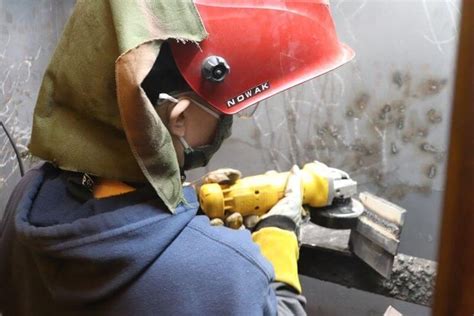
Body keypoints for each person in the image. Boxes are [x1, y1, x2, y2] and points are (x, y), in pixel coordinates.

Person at [0, 1, 353, 315]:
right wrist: (277, 238)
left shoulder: (28, 198)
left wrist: (191, 203)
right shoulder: (227, 271)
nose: (227, 119)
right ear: (179, 117)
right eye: (225, 110)